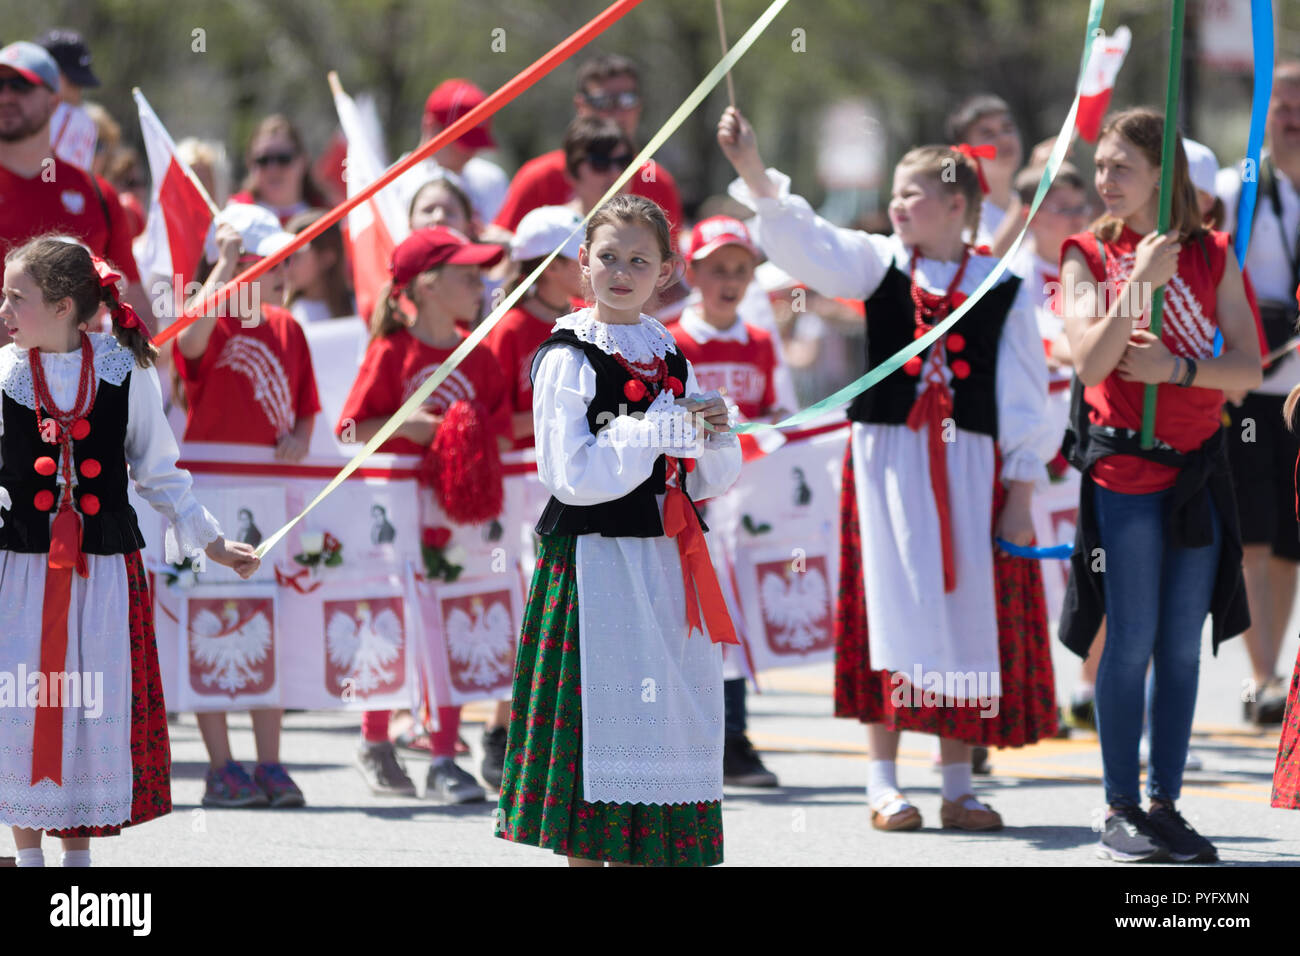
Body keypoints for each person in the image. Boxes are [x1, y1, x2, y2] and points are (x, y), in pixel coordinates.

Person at [719, 105, 1059, 832]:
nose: (899, 205)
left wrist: (1021, 489)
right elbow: (809, 245)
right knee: (888, 606)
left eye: (914, 193)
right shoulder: (879, 264)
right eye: (898, 193)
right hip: (888, 465)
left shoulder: (1002, 284)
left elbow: (1025, 393)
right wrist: (753, 168)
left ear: (958, 203)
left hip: (971, 466)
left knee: (966, 611)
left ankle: (958, 783)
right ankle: (881, 781)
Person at [495, 194, 741, 866]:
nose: (622, 271)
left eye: (640, 259)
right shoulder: (568, 355)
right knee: (595, 731)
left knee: (657, 727)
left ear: (666, 273)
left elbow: (702, 481)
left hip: (662, 562)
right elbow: (571, 476)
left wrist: (712, 433)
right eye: (608, 257)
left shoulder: (668, 353)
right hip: (594, 563)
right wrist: (650, 431)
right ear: (582, 263)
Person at [0, 236, 259, 866]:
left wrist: (213, 542)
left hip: (102, 575)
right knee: (24, 704)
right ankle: (27, 856)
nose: (4, 307)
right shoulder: (5, 372)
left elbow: (160, 472)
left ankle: (79, 865)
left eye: (17, 296)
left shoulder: (125, 369)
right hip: (22, 571)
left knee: (88, 706)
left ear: (64, 307)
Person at [1058, 108, 1261, 863]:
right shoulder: (1084, 253)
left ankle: (1166, 803)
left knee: (1182, 647)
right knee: (1131, 639)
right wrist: (1139, 283)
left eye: (1120, 169)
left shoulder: (1212, 253)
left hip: (1198, 469)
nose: (1103, 182)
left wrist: (1179, 370)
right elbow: (1089, 360)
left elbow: (1247, 369)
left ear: (1161, 177)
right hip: (1124, 469)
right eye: (1101, 167)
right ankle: (1118, 806)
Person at [337, 225, 511, 803]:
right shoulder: (393, 350)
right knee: (391, 622)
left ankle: (444, 755)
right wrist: (415, 426)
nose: (479, 284)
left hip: (455, 514)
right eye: (467, 275)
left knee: (458, 617)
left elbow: (504, 430)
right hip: (396, 517)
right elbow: (348, 428)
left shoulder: (479, 353)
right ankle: (376, 739)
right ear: (428, 285)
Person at [174, 203, 321, 809]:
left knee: (270, 622)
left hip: (267, 494)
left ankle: (270, 760)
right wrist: (224, 267)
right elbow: (187, 340)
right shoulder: (219, 318)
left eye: (286, 261)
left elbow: (308, 403)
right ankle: (220, 763)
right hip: (211, 493)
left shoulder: (289, 326)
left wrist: (302, 437)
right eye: (269, 262)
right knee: (210, 617)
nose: (282, 272)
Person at [668, 214, 787, 787]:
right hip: (692, 508)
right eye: (718, 269)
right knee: (691, 618)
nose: (731, 280)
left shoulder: (761, 342)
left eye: (741, 269)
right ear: (692, 273)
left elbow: (779, 413)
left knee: (734, 617)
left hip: (749, 511)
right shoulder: (673, 342)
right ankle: (689, 734)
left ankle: (731, 737)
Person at [1215, 62, 1300, 727]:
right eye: (1283, 105)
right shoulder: (1237, 187)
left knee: (1291, 539)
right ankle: (1263, 675)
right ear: (1263, 114)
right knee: (1253, 535)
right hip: (1246, 390)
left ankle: (1274, 674)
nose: (1292, 115)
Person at [0, 42, 146, 344]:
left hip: (79, 388)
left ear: (55, 101)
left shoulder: (97, 194)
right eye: (0, 85)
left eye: (20, 85)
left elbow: (136, 305)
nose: (6, 96)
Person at [493, 54, 683, 235]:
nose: (616, 112)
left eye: (627, 100)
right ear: (580, 106)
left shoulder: (657, 181)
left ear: (639, 106)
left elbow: (671, 261)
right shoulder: (538, 177)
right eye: (603, 101)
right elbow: (502, 247)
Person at [393, 79, 508, 226]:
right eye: (464, 141)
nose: (472, 151)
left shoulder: (492, 180)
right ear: (431, 126)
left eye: (476, 142)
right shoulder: (395, 184)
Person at [945, 94, 1024, 254]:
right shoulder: (960, 214)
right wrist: (1034, 192)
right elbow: (985, 267)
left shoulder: (1042, 205)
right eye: (988, 134)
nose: (1004, 139)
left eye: (1008, 129)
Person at [228, 114, 329, 226]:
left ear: (303, 161)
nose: (273, 168)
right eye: (263, 160)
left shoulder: (328, 219)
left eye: (283, 159)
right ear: (250, 163)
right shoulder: (232, 214)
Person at [37, 30, 100, 174]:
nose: (78, 89)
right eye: (74, 82)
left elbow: (47, 178)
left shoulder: (67, 115)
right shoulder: (83, 119)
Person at [284, 208, 354, 322]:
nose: (286, 266)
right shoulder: (285, 316)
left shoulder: (358, 307)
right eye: (285, 258)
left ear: (327, 257)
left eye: (296, 256)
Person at [561, 116, 635, 217]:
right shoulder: (547, 227)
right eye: (601, 162)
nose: (616, 173)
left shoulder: (648, 228)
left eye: (624, 161)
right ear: (572, 172)